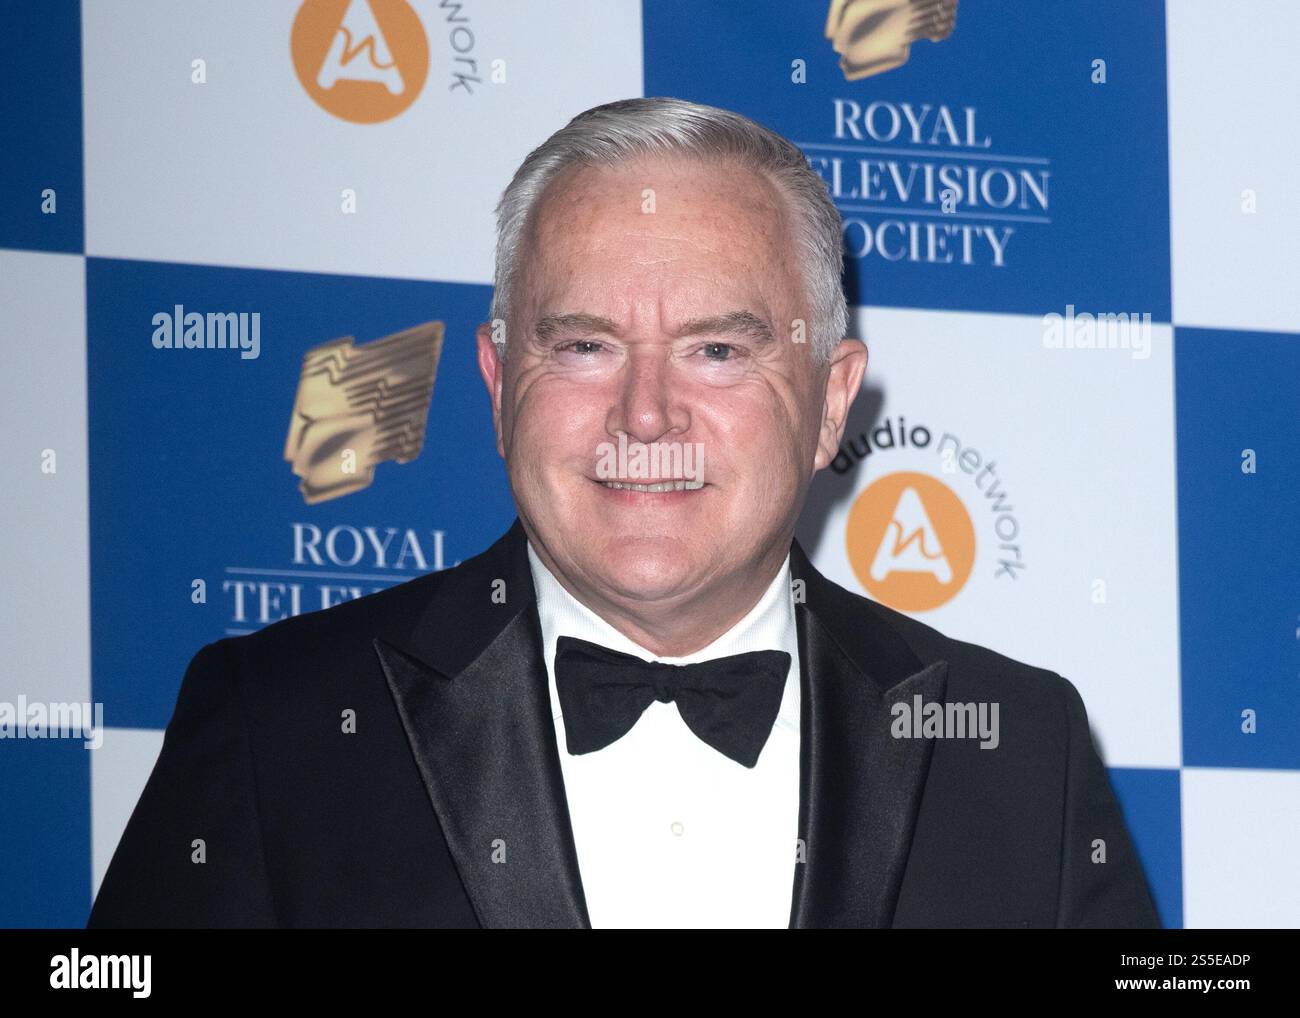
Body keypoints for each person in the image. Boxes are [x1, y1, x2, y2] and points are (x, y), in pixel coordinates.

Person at [87, 96, 1159, 929]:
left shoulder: (1017, 746)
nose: (646, 414)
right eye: (584, 344)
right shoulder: (277, 725)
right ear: (500, 382)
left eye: (718, 349)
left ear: (832, 401)